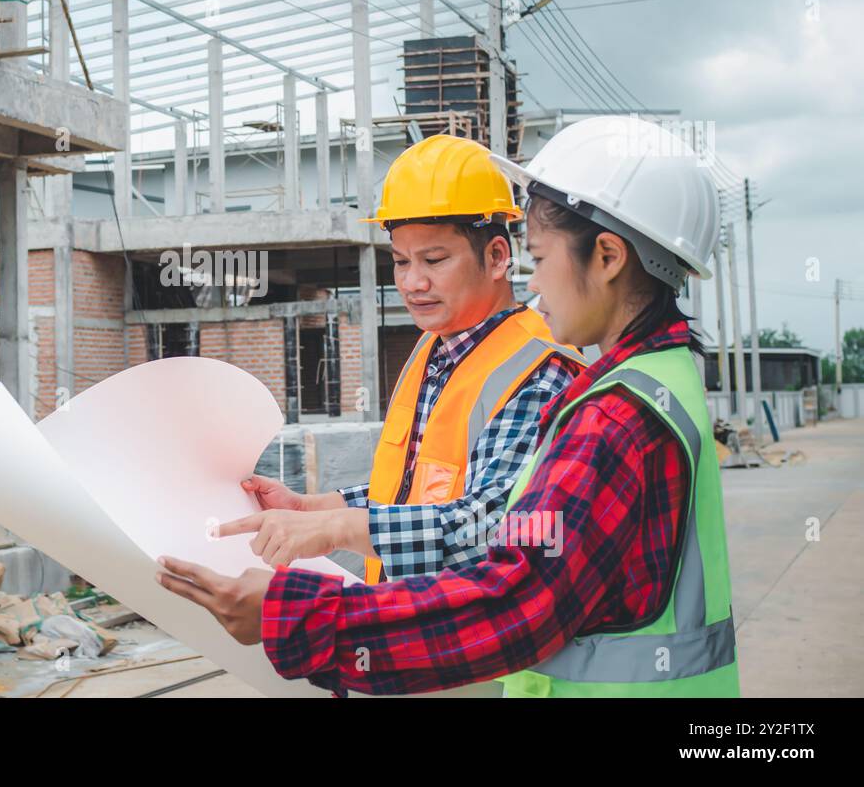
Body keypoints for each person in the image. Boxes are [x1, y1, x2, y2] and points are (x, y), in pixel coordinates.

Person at [158, 115, 739, 697]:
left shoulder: (603, 409)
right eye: (402, 262)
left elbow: (517, 590)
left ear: (608, 257)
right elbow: (430, 488)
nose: (535, 285)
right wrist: (317, 510)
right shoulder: (654, 375)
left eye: (538, 258)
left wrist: (297, 613)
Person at [221, 134, 582, 584]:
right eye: (400, 261)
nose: (412, 283)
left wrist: (333, 528)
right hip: (413, 631)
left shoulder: (539, 371)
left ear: (495, 257)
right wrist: (312, 507)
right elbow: (417, 490)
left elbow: (494, 522)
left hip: (474, 641)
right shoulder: (436, 349)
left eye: (433, 260)